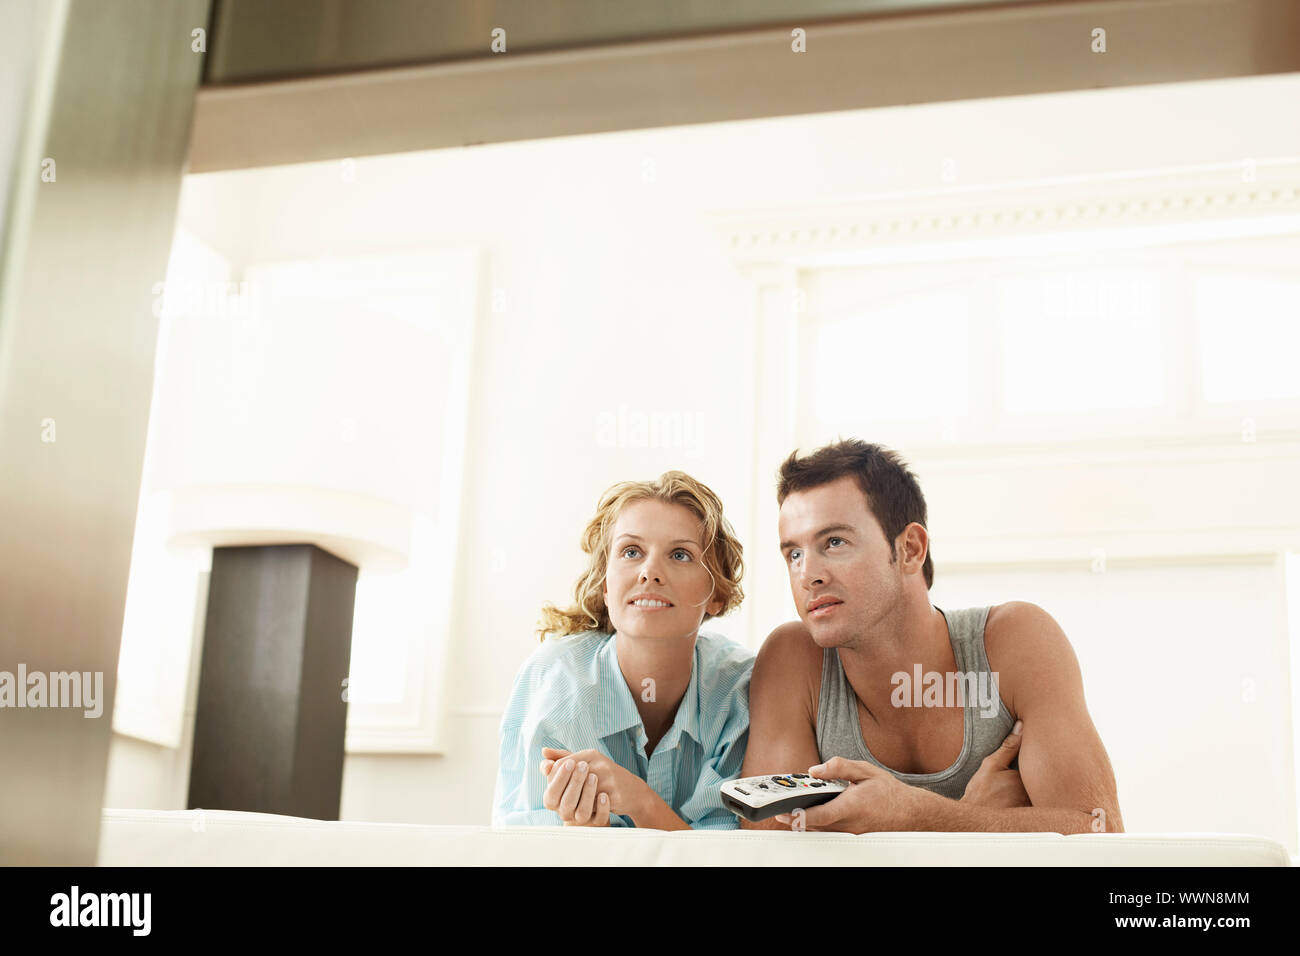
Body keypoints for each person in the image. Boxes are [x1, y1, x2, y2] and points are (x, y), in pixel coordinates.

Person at [741, 439, 1124, 834]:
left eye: (834, 542)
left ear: (910, 549)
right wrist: (968, 818)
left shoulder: (1015, 642)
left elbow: (1102, 835)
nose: (808, 575)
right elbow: (768, 858)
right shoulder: (793, 660)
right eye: (794, 554)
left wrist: (913, 813)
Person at [492, 471, 753, 829]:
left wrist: (640, 802)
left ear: (717, 594)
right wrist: (585, 837)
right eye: (631, 551)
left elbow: (728, 857)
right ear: (604, 584)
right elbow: (530, 849)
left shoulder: (739, 691)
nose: (650, 572)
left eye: (680, 554)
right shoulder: (557, 685)